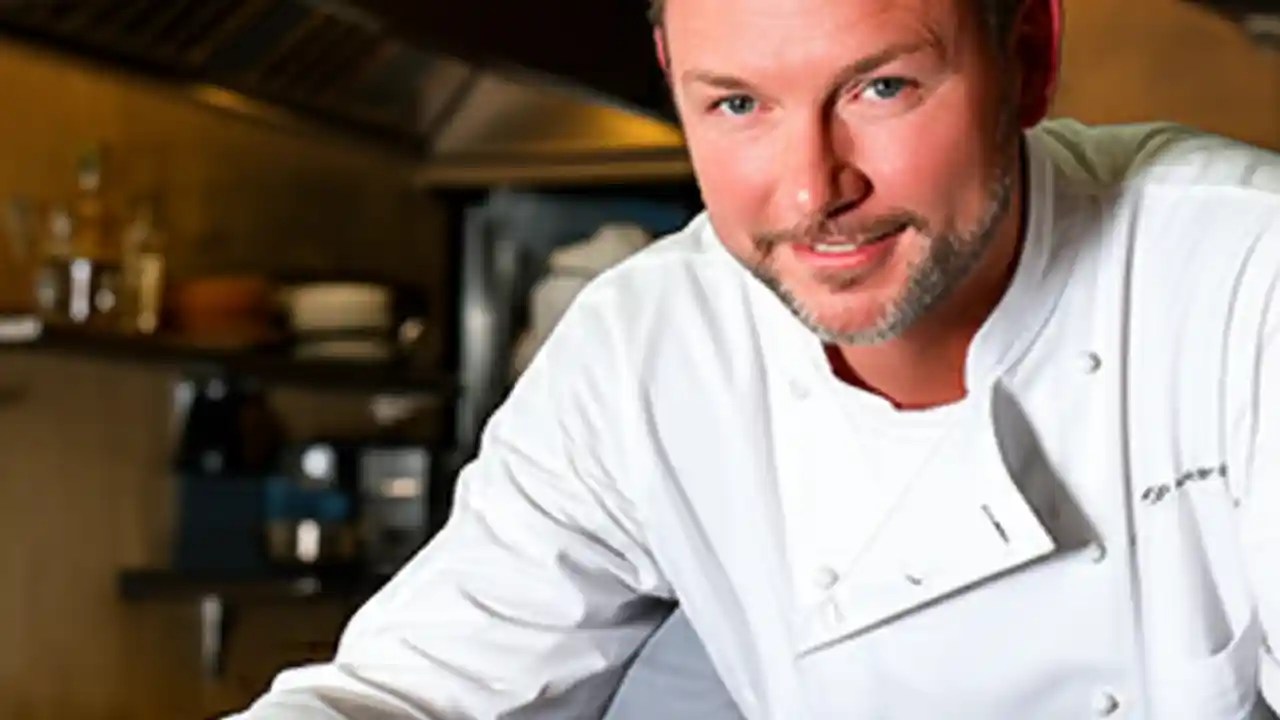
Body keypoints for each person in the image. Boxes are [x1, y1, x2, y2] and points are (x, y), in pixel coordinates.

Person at [230, 0, 1280, 716]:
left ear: (1028, 56)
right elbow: (413, 692)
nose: (809, 192)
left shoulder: (1240, 274)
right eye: (736, 105)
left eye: (880, 89)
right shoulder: (647, 348)